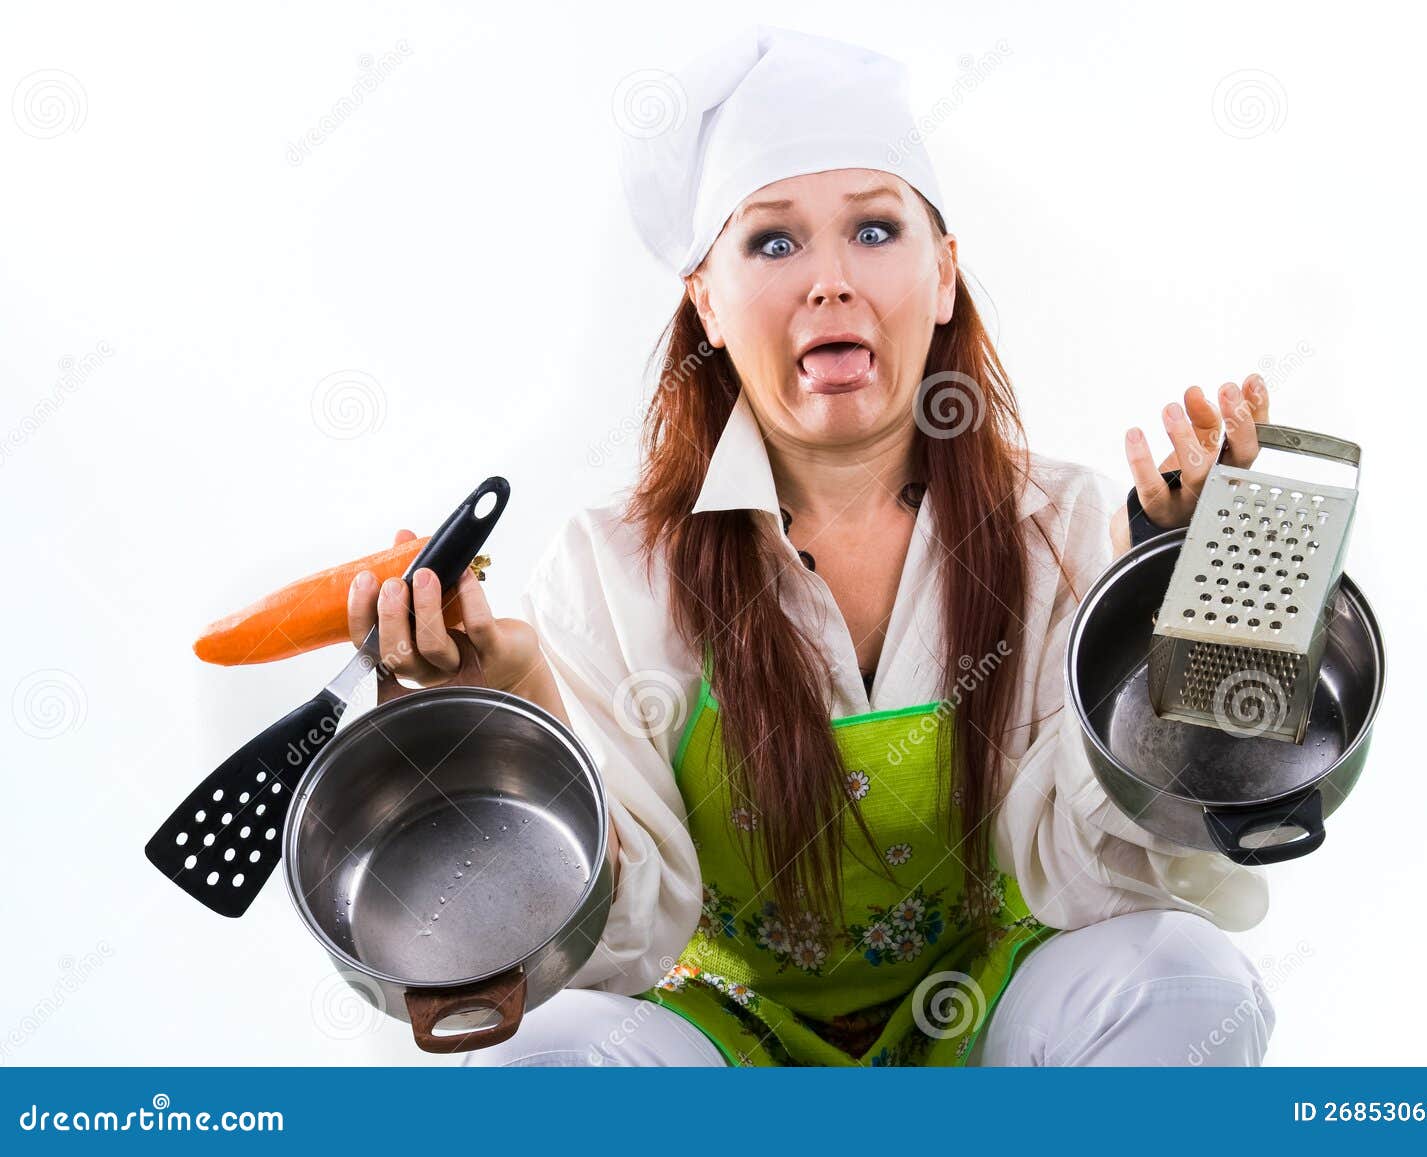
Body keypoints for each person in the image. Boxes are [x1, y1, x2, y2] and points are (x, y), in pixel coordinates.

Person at [348, 25, 1278, 1067]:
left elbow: (1096, 877)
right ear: (704, 297)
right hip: (721, 1041)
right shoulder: (611, 571)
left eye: (875, 230)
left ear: (943, 276)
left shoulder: (1058, 528)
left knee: (1187, 978)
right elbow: (617, 944)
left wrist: (1172, 599)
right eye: (774, 242)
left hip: (987, 1014)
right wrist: (518, 705)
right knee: (545, 1057)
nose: (829, 280)